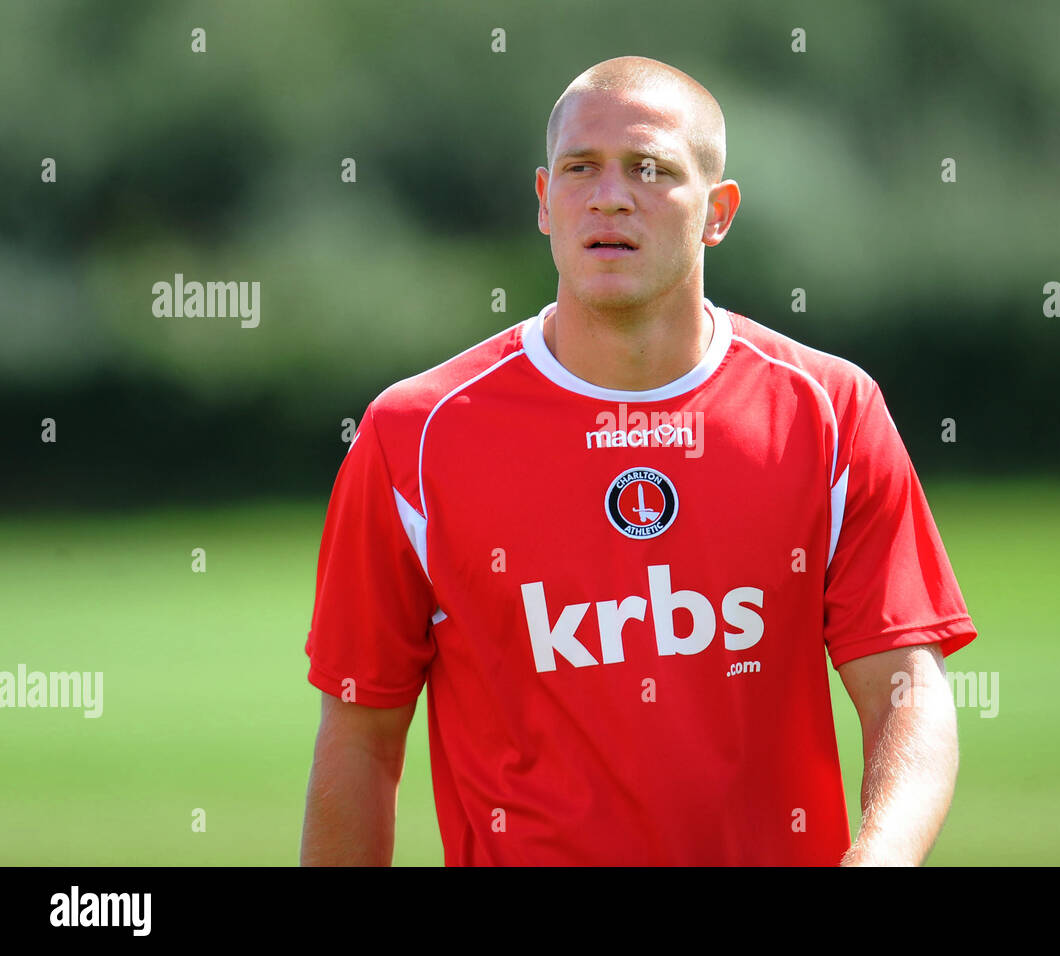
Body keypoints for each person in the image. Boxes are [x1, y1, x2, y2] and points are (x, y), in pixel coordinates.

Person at [300, 55, 977, 867]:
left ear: (718, 212)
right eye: (580, 168)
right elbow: (360, 735)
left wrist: (881, 857)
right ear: (544, 200)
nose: (610, 196)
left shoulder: (830, 412)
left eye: (651, 169)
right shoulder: (413, 434)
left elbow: (906, 688)